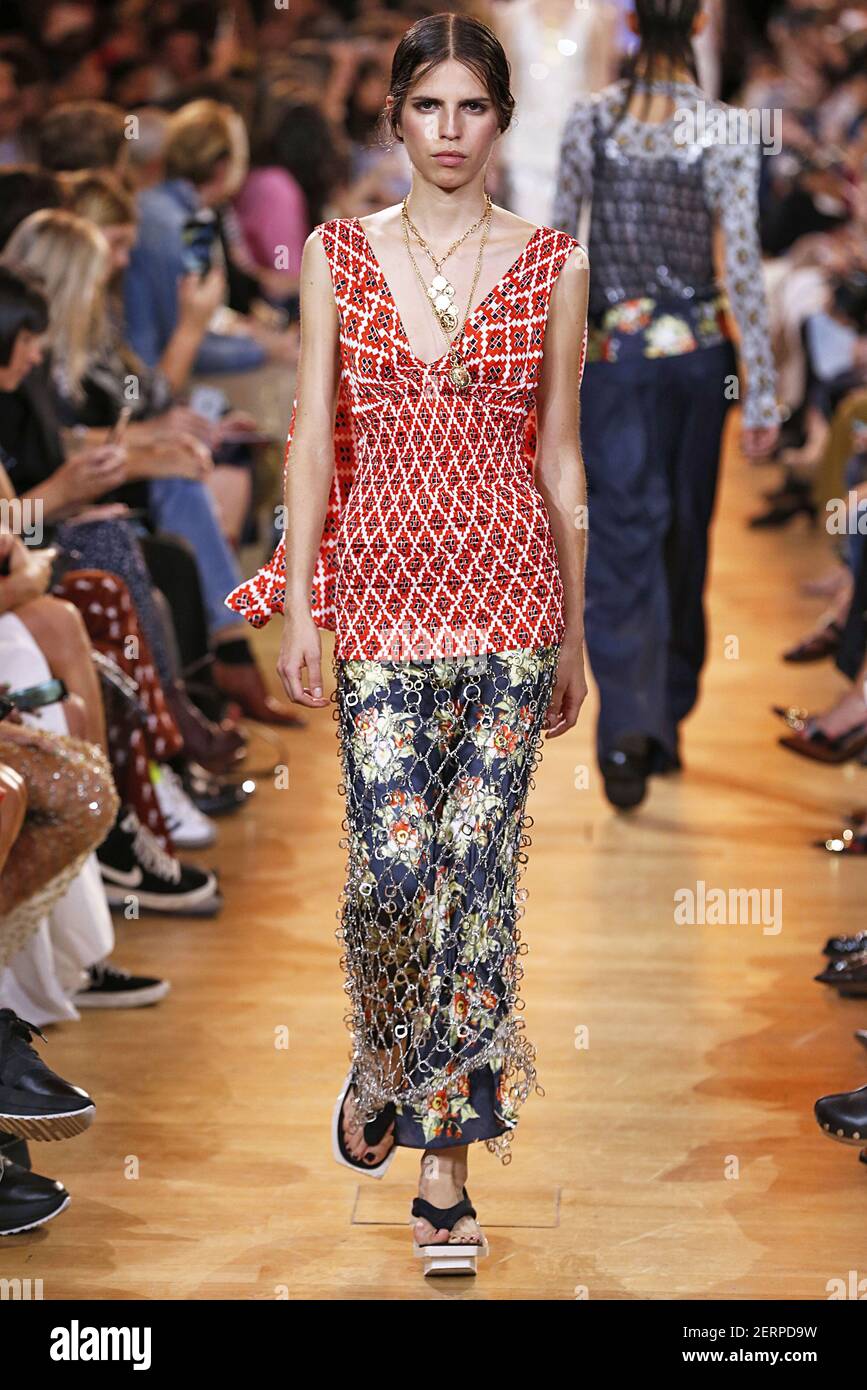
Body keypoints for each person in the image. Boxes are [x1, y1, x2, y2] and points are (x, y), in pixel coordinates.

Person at [226, 11, 589, 1271]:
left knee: (476, 885)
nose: (448, 131)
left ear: (501, 118)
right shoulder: (338, 253)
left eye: (470, 108)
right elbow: (312, 433)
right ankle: (385, 1050)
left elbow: (560, 457)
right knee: (393, 870)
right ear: (394, 118)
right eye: (426, 107)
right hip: (376, 595)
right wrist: (305, 606)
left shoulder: (553, 261)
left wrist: (577, 636)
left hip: (510, 603)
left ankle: (444, 1166)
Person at [551, 0, 781, 810]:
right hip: (696, 366)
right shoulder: (723, 130)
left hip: (612, 362)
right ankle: (656, 717)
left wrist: (546, 373)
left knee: (622, 537)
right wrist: (762, 391)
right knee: (685, 532)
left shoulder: (591, 122)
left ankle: (631, 730)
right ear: (699, 27)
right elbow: (742, 267)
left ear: (628, 25)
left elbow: (558, 249)